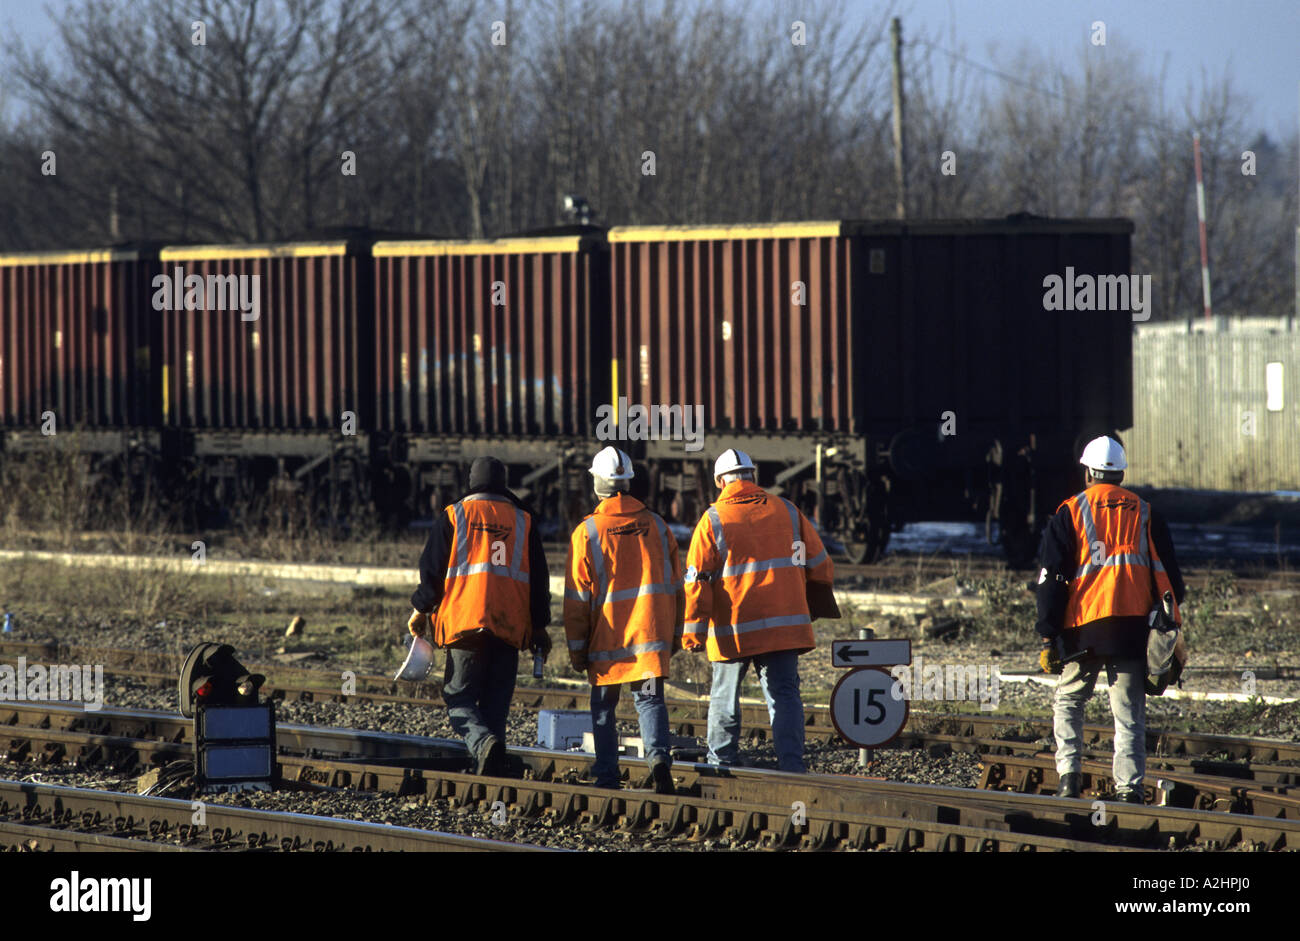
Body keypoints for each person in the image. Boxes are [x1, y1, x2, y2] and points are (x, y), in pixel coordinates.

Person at [1035, 436, 1185, 803]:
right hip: (1132, 632)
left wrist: (1047, 634)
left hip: (1083, 630)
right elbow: (1173, 584)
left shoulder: (1070, 512)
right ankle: (1129, 789)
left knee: (1070, 701)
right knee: (1129, 711)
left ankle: (1069, 780)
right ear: (1120, 473)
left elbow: (1050, 579)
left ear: (1087, 471)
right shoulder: (1146, 512)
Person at [682, 448, 838, 773]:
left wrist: (693, 632)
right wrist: (810, 602)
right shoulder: (789, 511)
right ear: (752, 476)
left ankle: (720, 763)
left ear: (720, 481)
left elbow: (697, 581)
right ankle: (792, 767)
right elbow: (821, 565)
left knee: (725, 697)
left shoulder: (712, 520)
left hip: (733, 630)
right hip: (783, 628)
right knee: (784, 697)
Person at [409, 456, 551, 777]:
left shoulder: (455, 515)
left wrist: (421, 610)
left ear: (471, 482)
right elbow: (539, 581)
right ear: (503, 484)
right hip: (509, 626)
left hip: (465, 624)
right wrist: (540, 627)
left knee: (459, 697)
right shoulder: (523, 521)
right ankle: (491, 772)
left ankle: (482, 744)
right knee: (495, 706)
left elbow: (432, 574)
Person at [564, 447, 683, 793]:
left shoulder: (587, 532)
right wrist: (675, 636)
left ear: (597, 485)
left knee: (604, 708)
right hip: (649, 641)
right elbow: (677, 587)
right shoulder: (658, 526)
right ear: (628, 483)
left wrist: (576, 650)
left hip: (606, 644)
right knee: (649, 700)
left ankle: (606, 775)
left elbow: (577, 601)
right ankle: (659, 760)